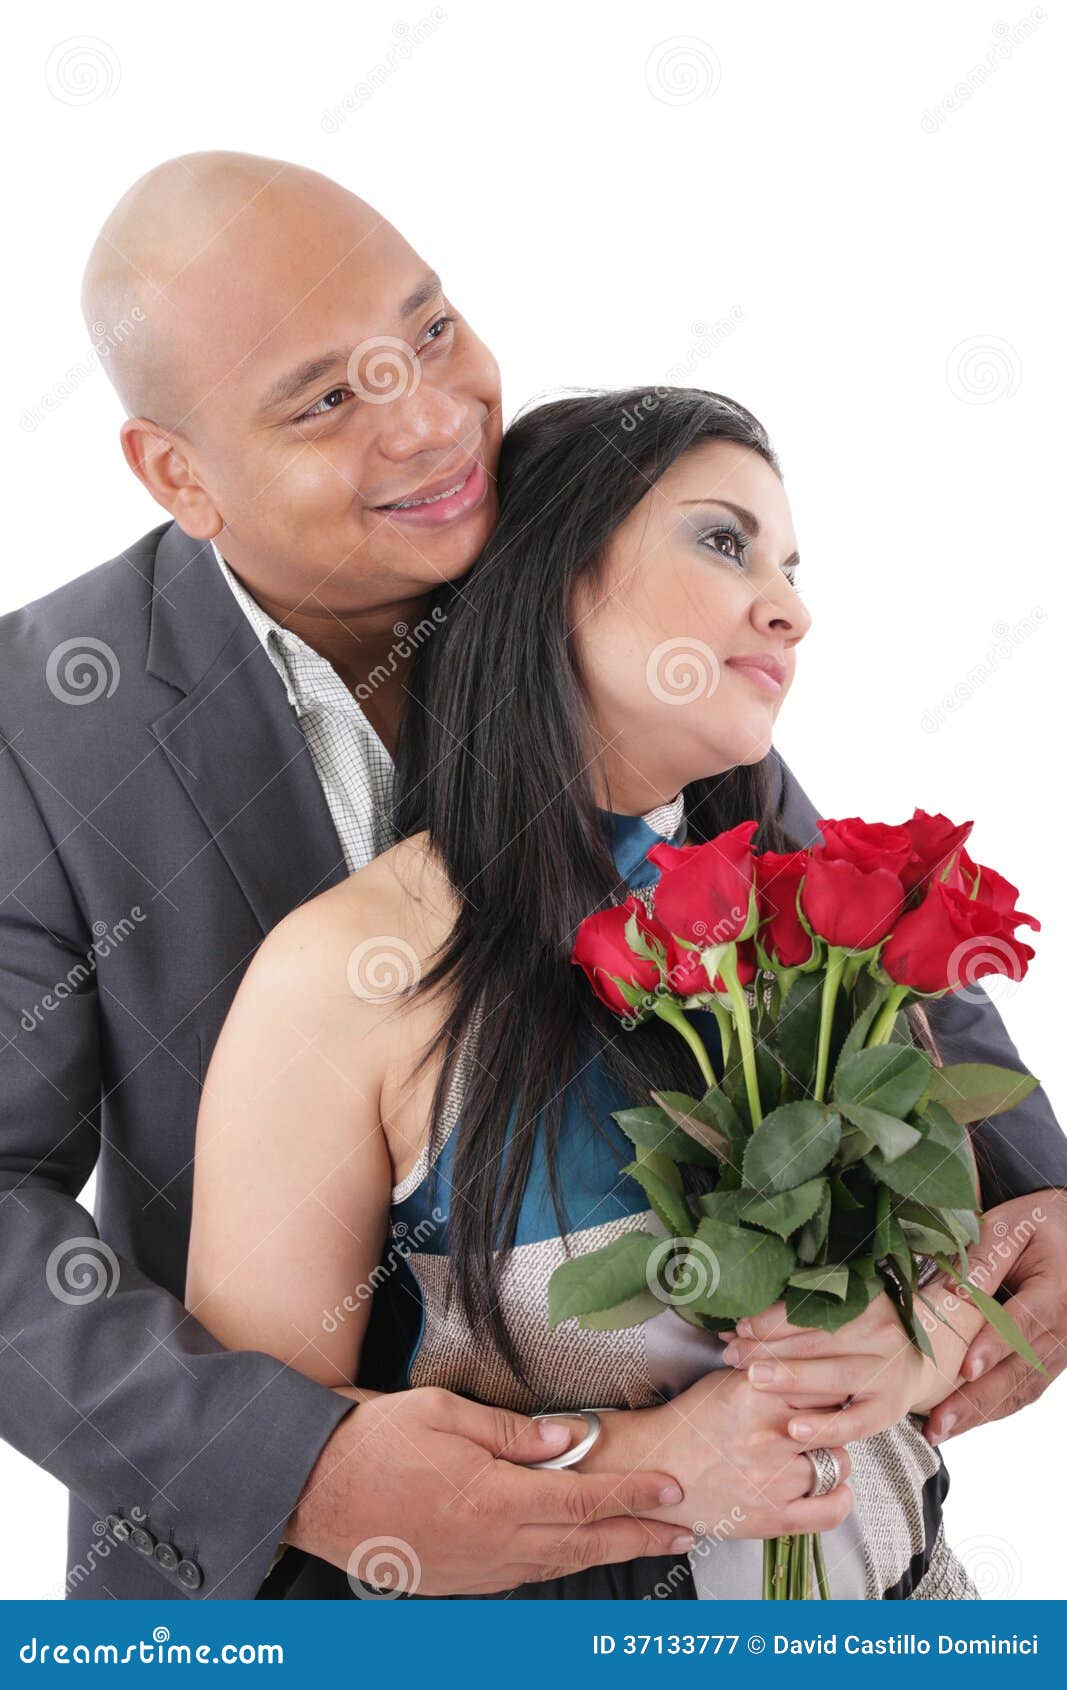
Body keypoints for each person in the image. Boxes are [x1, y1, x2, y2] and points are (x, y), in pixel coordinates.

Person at [1, 152, 1064, 1603]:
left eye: (430, 331)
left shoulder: (569, 561)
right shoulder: (46, 728)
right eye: (326, 399)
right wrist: (301, 1461)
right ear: (177, 468)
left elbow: (812, 898)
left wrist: (1030, 1193)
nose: (432, 424)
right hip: (308, 1583)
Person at [187, 386, 1016, 1599]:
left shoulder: (812, 928)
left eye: (789, 564)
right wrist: (637, 1464)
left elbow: (948, 1255)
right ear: (552, 573)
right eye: (723, 541)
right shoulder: (346, 973)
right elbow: (257, 1464)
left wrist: (909, 1342)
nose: (788, 608)